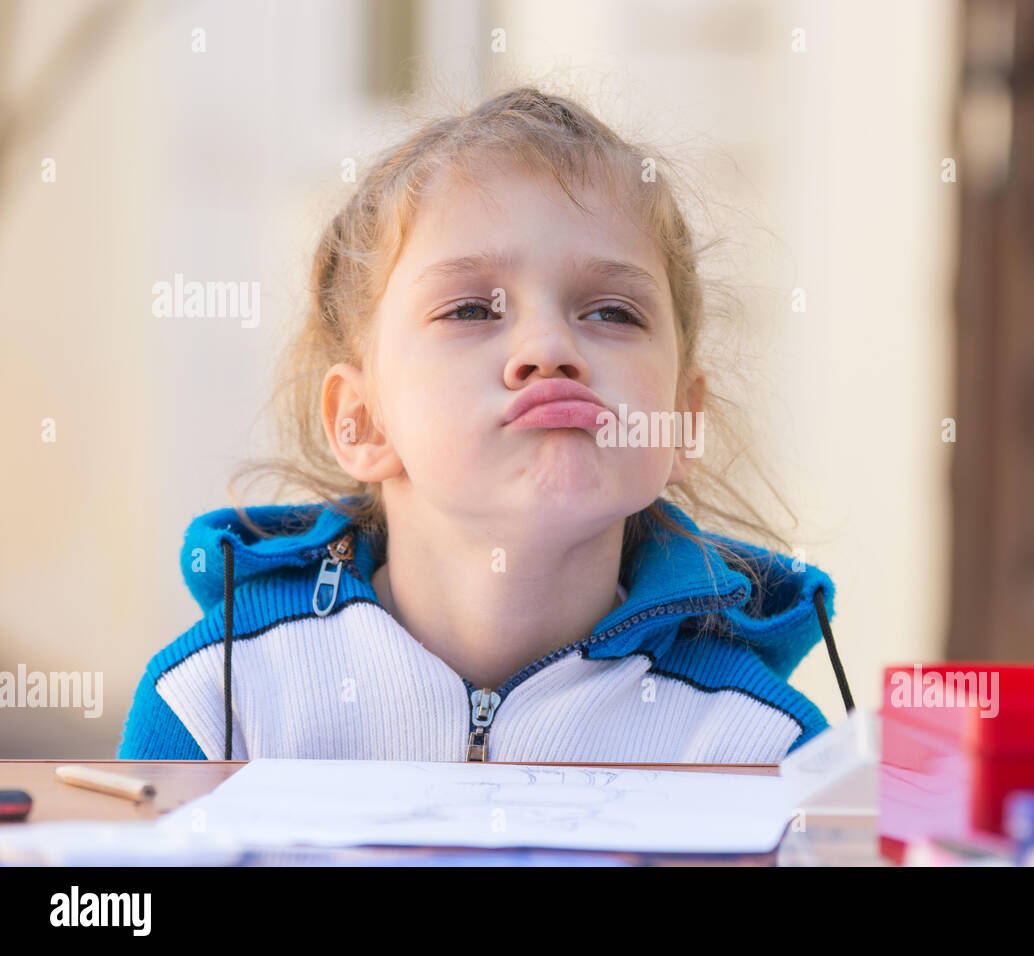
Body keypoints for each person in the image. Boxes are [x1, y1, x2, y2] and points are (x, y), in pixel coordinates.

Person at [117, 86, 843, 763]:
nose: (551, 350)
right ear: (362, 421)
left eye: (612, 312)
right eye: (471, 309)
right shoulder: (219, 705)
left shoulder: (761, 745)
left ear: (684, 426)